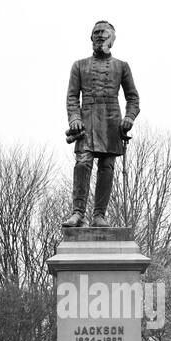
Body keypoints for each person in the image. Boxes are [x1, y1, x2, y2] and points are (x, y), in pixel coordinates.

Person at [63, 20, 140, 227]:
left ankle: (99, 215)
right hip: (86, 123)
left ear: (112, 39)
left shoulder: (122, 67)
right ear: (91, 38)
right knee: (82, 163)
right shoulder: (79, 65)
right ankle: (78, 213)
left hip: (111, 122)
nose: (99, 36)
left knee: (107, 167)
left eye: (103, 33)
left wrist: (129, 118)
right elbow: (72, 97)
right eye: (95, 33)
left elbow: (133, 98)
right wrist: (75, 118)